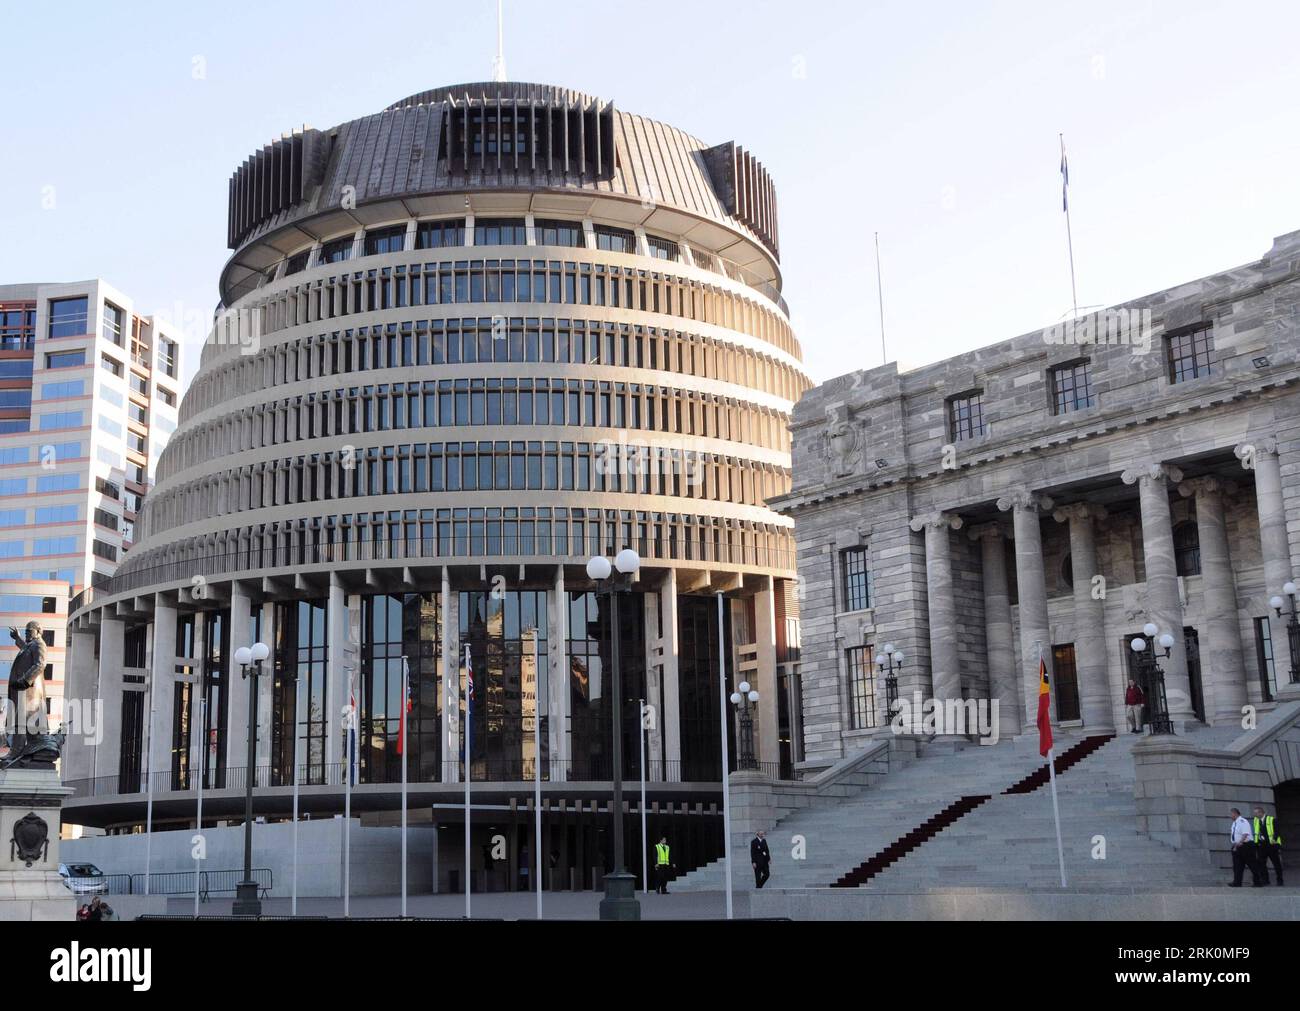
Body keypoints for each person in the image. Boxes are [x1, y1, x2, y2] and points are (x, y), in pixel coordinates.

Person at [1229, 808, 1263, 887]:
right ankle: (1237, 882)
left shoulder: (1242, 821)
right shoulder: (1234, 823)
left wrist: (1240, 842)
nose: (1230, 816)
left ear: (1235, 813)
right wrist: (1235, 845)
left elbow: (1245, 833)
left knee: (1252, 864)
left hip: (1246, 846)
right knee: (1237, 865)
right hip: (1237, 846)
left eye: (1231, 814)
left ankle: (1258, 882)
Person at [1253, 805, 1284, 886]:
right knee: (1262, 864)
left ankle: (1280, 880)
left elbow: (1277, 830)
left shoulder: (1271, 819)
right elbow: (1256, 832)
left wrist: (1274, 838)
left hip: (1271, 845)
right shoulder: (1256, 820)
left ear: (1261, 812)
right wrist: (1256, 843)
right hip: (1261, 846)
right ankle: (1265, 880)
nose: (1255, 815)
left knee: (1276, 863)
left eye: (1256, 813)